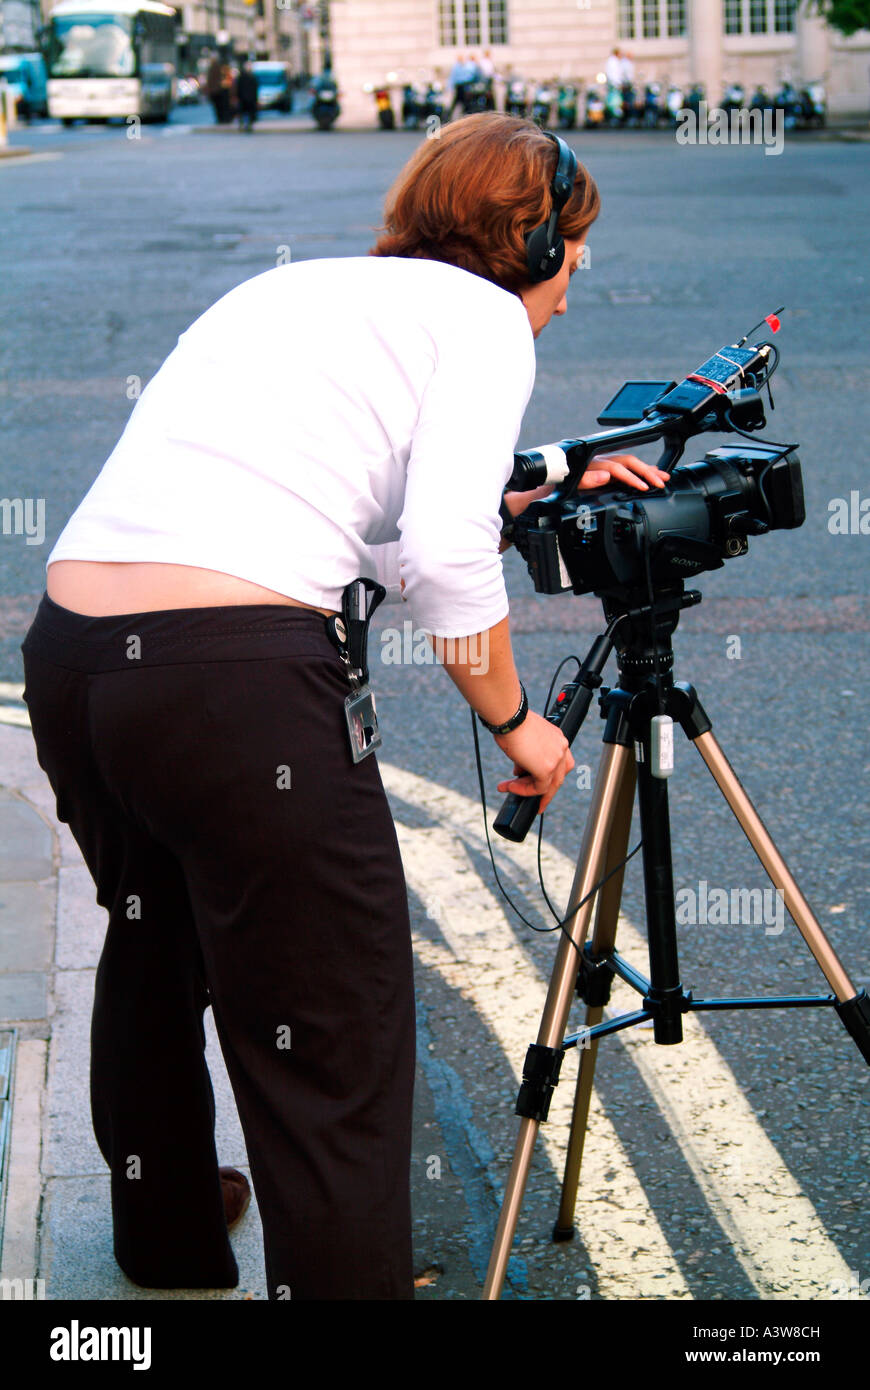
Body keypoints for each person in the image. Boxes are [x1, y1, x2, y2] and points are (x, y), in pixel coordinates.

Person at [20, 114, 667, 1301]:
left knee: (152, 940)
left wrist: (550, 467)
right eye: (572, 249)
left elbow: (323, 490)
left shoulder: (304, 293)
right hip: (234, 689)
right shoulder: (481, 317)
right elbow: (441, 549)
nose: (575, 284)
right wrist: (521, 725)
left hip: (74, 662)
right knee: (332, 1033)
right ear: (526, 243)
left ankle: (164, 1235)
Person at [235, 60, 258, 132]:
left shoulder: (246, 76)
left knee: (246, 112)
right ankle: (245, 125)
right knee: (245, 112)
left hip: (246, 98)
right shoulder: (248, 76)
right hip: (246, 98)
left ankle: (246, 125)